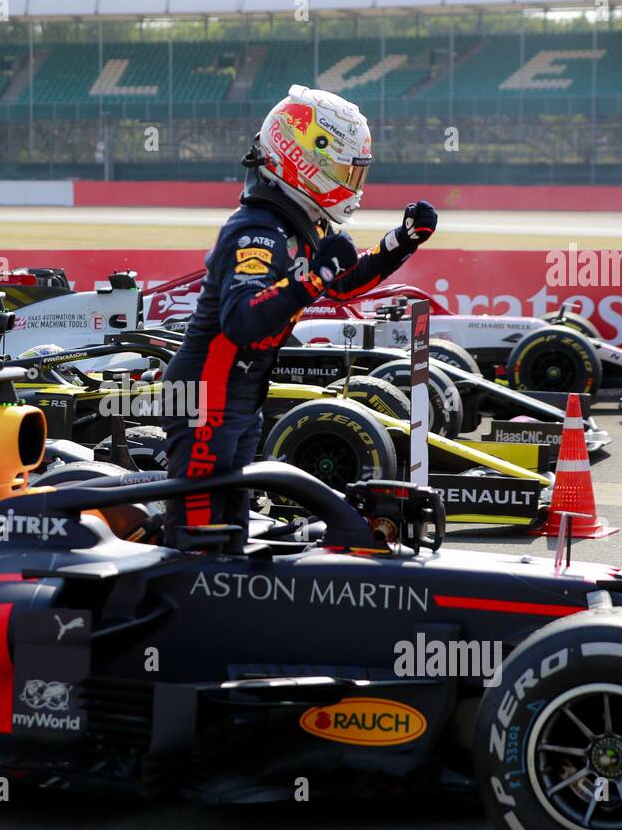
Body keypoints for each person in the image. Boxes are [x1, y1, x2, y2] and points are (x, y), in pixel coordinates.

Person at [161, 84, 438, 548]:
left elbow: (343, 284)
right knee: (200, 538)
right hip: (204, 399)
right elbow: (242, 320)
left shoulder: (297, 222)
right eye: (346, 170)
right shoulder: (256, 231)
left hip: (237, 397)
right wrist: (314, 276)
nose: (353, 183)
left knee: (230, 533)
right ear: (306, 160)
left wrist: (401, 242)